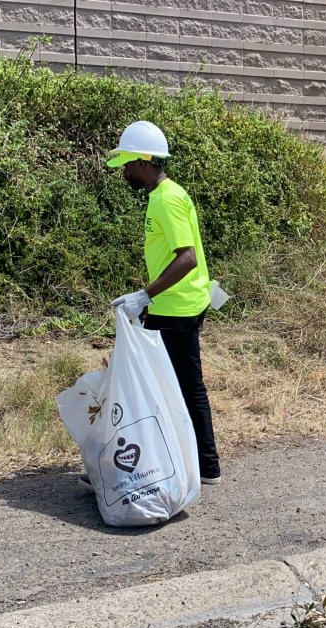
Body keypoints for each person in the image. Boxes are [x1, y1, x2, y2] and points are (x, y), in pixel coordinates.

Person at [94, 120, 222, 486]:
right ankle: (204, 464)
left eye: (128, 165)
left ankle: (132, 466)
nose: (125, 173)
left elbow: (187, 258)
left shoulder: (167, 200)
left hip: (175, 310)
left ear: (143, 161)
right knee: (182, 385)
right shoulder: (164, 196)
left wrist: (143, 296)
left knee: (150, 387)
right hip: (176, 306)